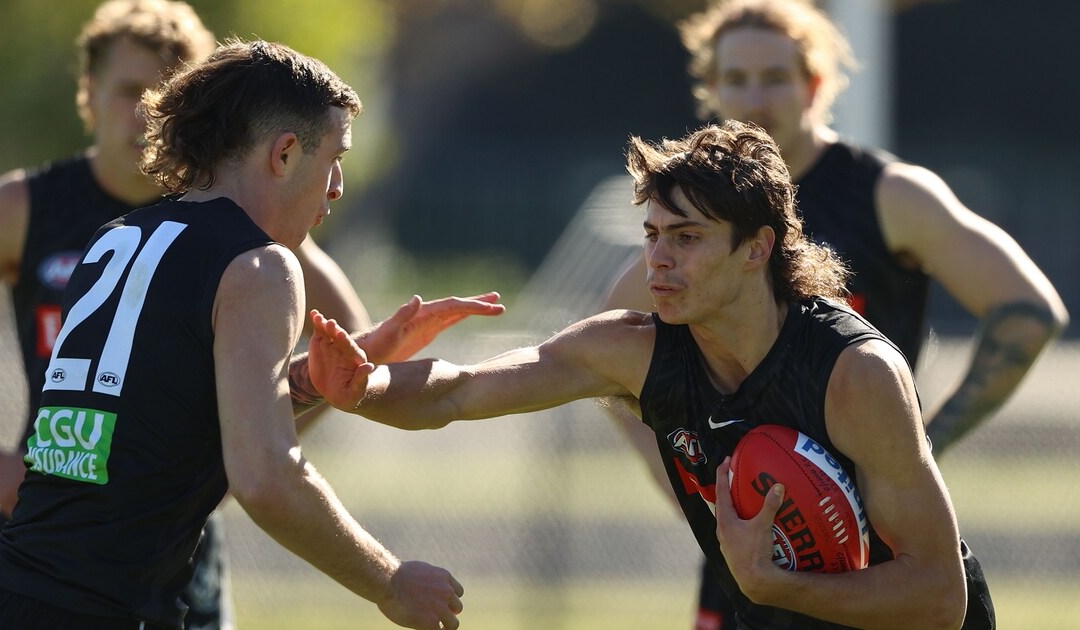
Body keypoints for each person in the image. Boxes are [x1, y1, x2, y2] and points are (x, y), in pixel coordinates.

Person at [309, 120, 995, 630]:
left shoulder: (855, 372)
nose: (657, 262)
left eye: (687, 238)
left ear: (758, 247)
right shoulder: (632, 350)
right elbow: (458, 391)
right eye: (653, 235)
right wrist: (361, 388)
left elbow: (938, 595)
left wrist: (771, 585)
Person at [0, 38, 507, 629]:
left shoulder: (118, 236)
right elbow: (265, 478)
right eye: (333, 156)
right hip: (97, 611)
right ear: (284, 153)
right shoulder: (260, 265)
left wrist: (315, 379)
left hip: (5, 591)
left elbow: (164, 417)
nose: (337, 185)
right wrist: (389, 580)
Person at [0, 2, 370, 628]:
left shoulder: (240, 225)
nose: (148, 110)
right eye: (130, 90)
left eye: (171, 90)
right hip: (52, 532)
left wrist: (241, 448)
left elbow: (350, 344)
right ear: (87, 93)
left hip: (174, 547)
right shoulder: (26, 205)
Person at [598, 1, 1068, 627]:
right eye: (735, 80)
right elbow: (606, 358)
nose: (754, 96)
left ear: (815, 85)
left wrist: (931, 435)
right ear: (710, 91)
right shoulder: (701, 221)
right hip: (754, 556)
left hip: (873, 556)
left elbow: (1028, 311)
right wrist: (705, 495)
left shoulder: (886, 194)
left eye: (775, 77)